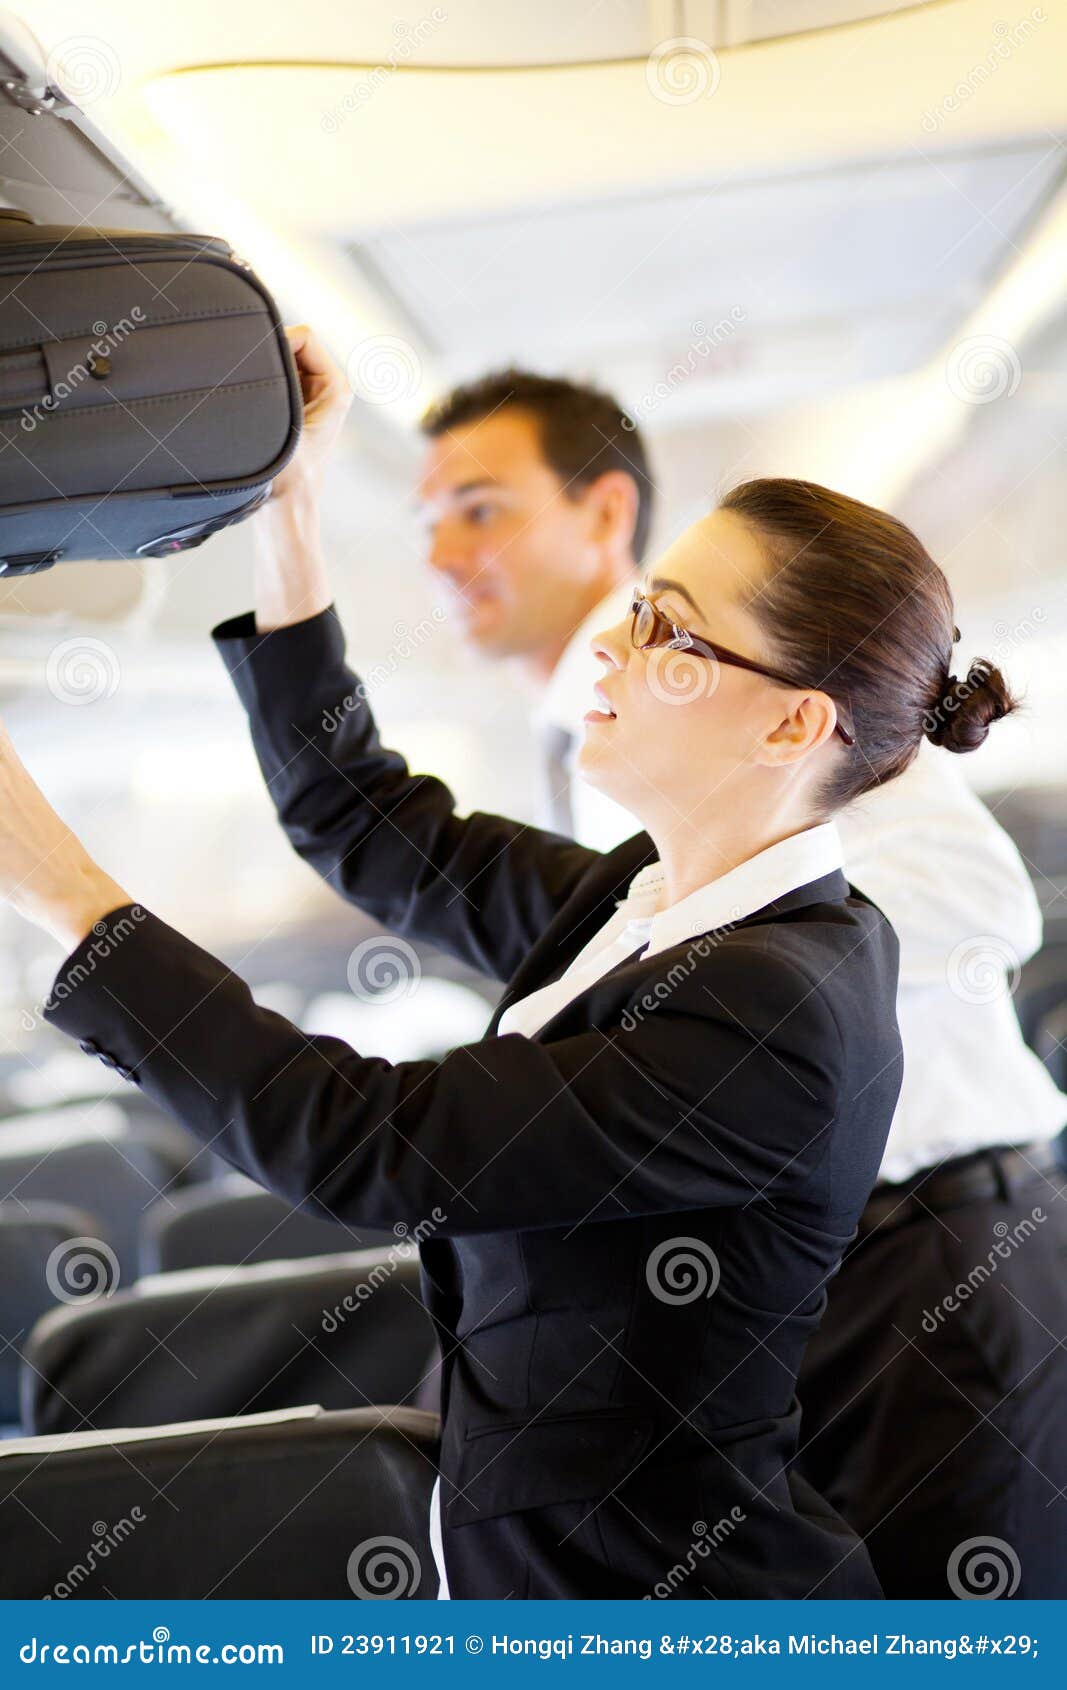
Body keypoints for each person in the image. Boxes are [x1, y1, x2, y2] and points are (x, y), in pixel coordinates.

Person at [0, 328, 1017, 1601]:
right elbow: (368, 823)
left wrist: (65, 888)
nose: (609, 644)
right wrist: (287, 503)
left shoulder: (779, 1000)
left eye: (664, 630)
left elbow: (365, 1142)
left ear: (789, 722)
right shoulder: (648, 902)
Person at [419, 367, 1067, 1597]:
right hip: (810, 1280)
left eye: (481, 508)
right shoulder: (610, 734)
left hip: (937, 1254)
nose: (447, 552)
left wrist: (724, 1002)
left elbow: (980, 900)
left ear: (602, 520)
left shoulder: (763, 668)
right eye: (426, 521)